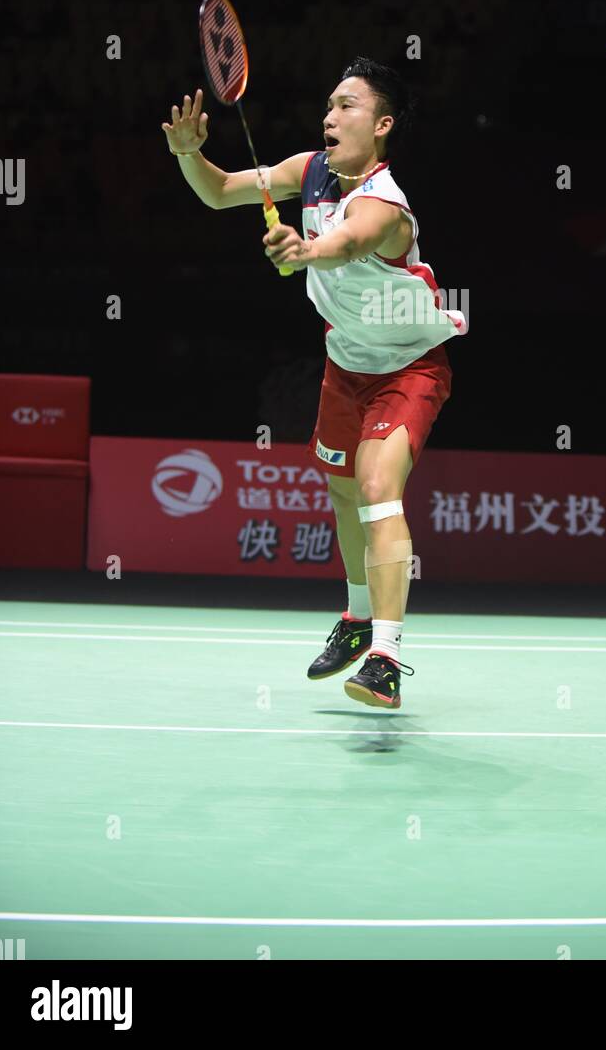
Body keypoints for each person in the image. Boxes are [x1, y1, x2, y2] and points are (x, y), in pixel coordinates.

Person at [163, 58, 466, 708]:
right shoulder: (310, 172)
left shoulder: (385, 206)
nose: (330, 116)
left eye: (347, 106)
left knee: (380, 490)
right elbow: (218, 191)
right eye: (328, 104)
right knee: (342, 488)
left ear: (381, 125)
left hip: (408, 366)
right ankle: (357, 618)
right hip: (346, 362)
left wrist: (304, 251)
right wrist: (191, 154)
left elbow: (350, 242)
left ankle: (384, 656)